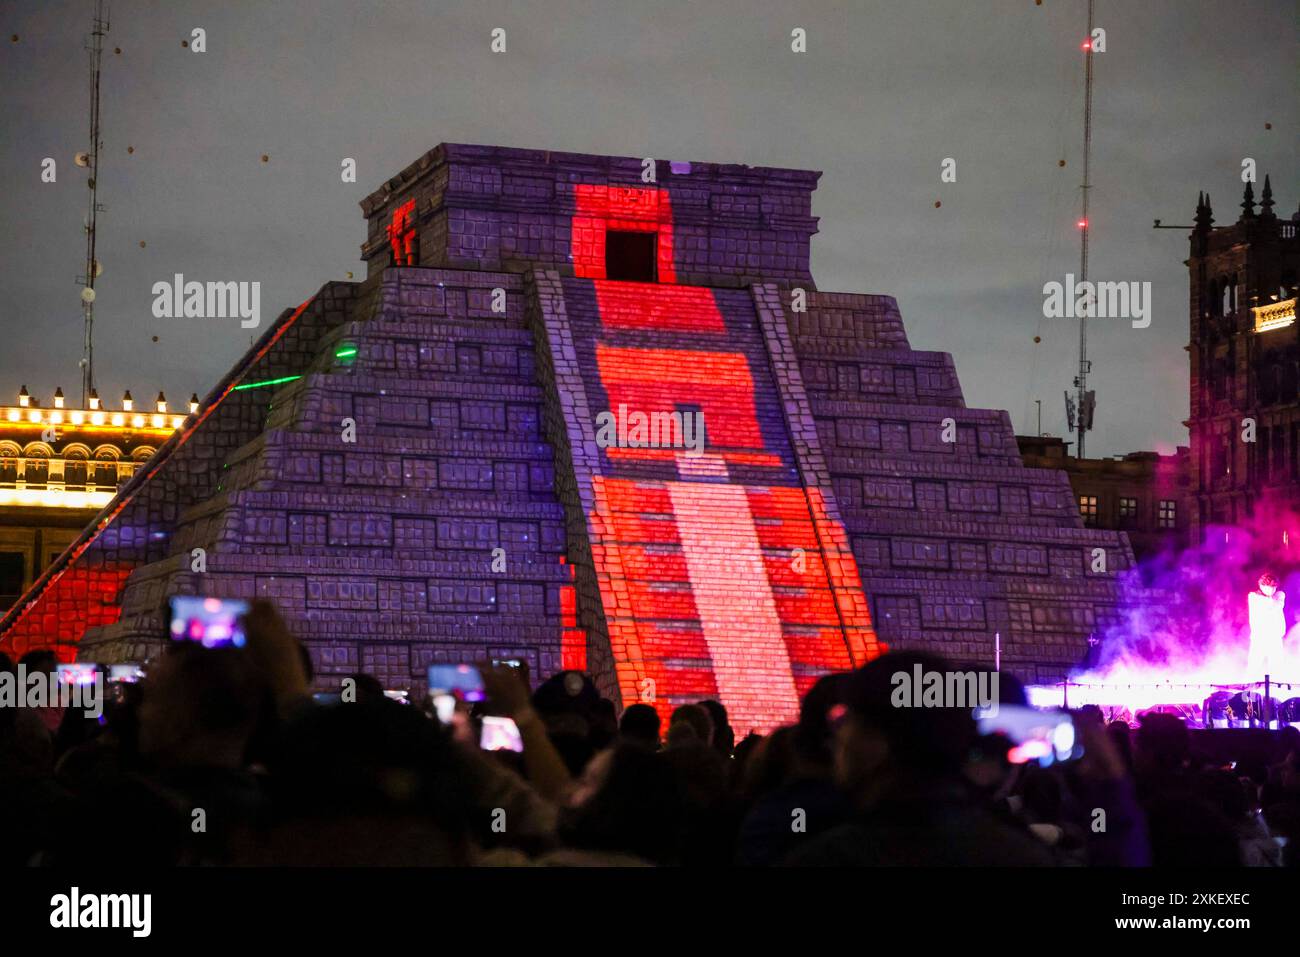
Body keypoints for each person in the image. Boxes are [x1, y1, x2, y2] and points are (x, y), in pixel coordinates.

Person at [1247, 572, 1286, 679]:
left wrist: (1270, 598)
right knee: (1253, 668)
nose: (1272, 590)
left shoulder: (1279, 595)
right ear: (1261, 586)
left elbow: (1276, 605)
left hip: (1275, 638)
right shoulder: (1253, 596)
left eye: (1274, 587)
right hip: (1259, 638)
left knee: (1278, 669)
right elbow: (1268, 605)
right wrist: (1268, 599)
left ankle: (1279, 694)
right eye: (1269, 587)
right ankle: (1246, 693)